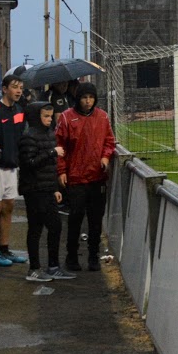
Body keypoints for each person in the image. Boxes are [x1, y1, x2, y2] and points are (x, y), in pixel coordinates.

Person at [57, 82, 117, 271]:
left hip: (97, 177)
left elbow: (109, 141)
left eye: (91, 97)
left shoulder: (102, 117)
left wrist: (106, 157)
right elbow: (60, 147)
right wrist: (61, 171)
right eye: (84, 97)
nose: (88, 101)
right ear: (78, 98)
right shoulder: (67, 118)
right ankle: (71, 256)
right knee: (75, 218)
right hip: (75, 178)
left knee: (95, 219)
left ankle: (93, 256)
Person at [17, 101, 74, 282]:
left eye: (51, 116)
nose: (50, 119)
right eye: (46, 116)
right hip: (34, 189)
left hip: (46, 188)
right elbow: (29, 163)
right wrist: (52, 152)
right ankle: (35, 268)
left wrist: (55, 189)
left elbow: (51, 166)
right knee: (39, 228)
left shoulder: (49, 134)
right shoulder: (29, 136)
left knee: (52, 226)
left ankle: (52, 266)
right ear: (36, 116)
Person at [0, 74, 29, 268]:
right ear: (4, 89)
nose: (18, 90)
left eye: (20, 87)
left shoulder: (19, 110)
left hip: (12, 167)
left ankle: (5, 248)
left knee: (9, 206)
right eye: (14, 87)